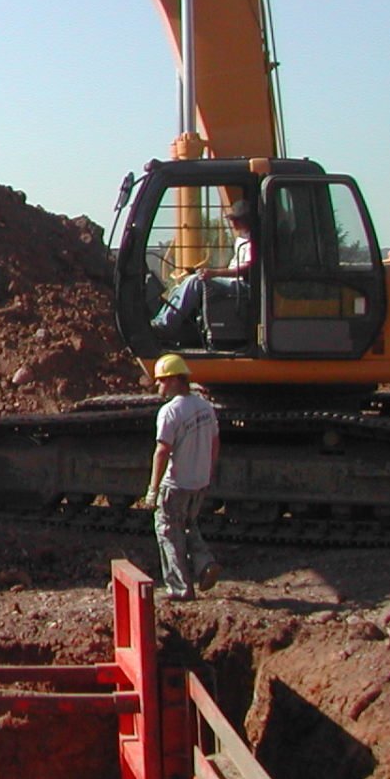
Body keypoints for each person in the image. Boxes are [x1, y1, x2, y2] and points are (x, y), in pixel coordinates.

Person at [136, 353, 220, 601]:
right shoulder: (205, 407)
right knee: (189, 525)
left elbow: (162, 451)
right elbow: (215, 442)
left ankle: (180, 589)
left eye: (161, 381)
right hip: (199, 483)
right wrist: (208, 471)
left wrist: (152, 489)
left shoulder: (170, 412)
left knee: (168, 532)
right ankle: (205, 563)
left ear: (173, 380)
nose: (159, 386)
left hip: (176, 484)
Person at [151, 205, 254, 343]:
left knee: (195, 281)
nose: (233, 223)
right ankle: (160, 320)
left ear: (245, 220)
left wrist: (213, 273)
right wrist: (210, 272)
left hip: (243, 284)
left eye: (236, 219)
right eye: (232, 219)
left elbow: (247, 268)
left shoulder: (253, 241)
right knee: (178, 287)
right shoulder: (241, 238)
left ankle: (166, 326)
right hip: (232, 281)